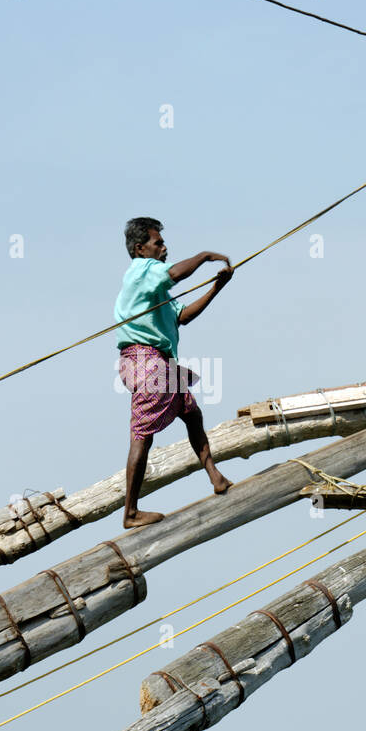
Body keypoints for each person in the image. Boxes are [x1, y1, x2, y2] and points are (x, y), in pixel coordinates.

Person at [115, 217, 233, 528]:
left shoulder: (156, 289)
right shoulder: (142, 271)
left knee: (192, 414)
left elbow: (183, 317)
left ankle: (215, 476)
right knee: (142, 435)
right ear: (140, 249)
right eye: (158, 243)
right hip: (145, 359)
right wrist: (205, 256)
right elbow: (175, 273)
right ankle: (130, 512)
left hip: (160, 362)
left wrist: (216, 287)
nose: (164, 248)